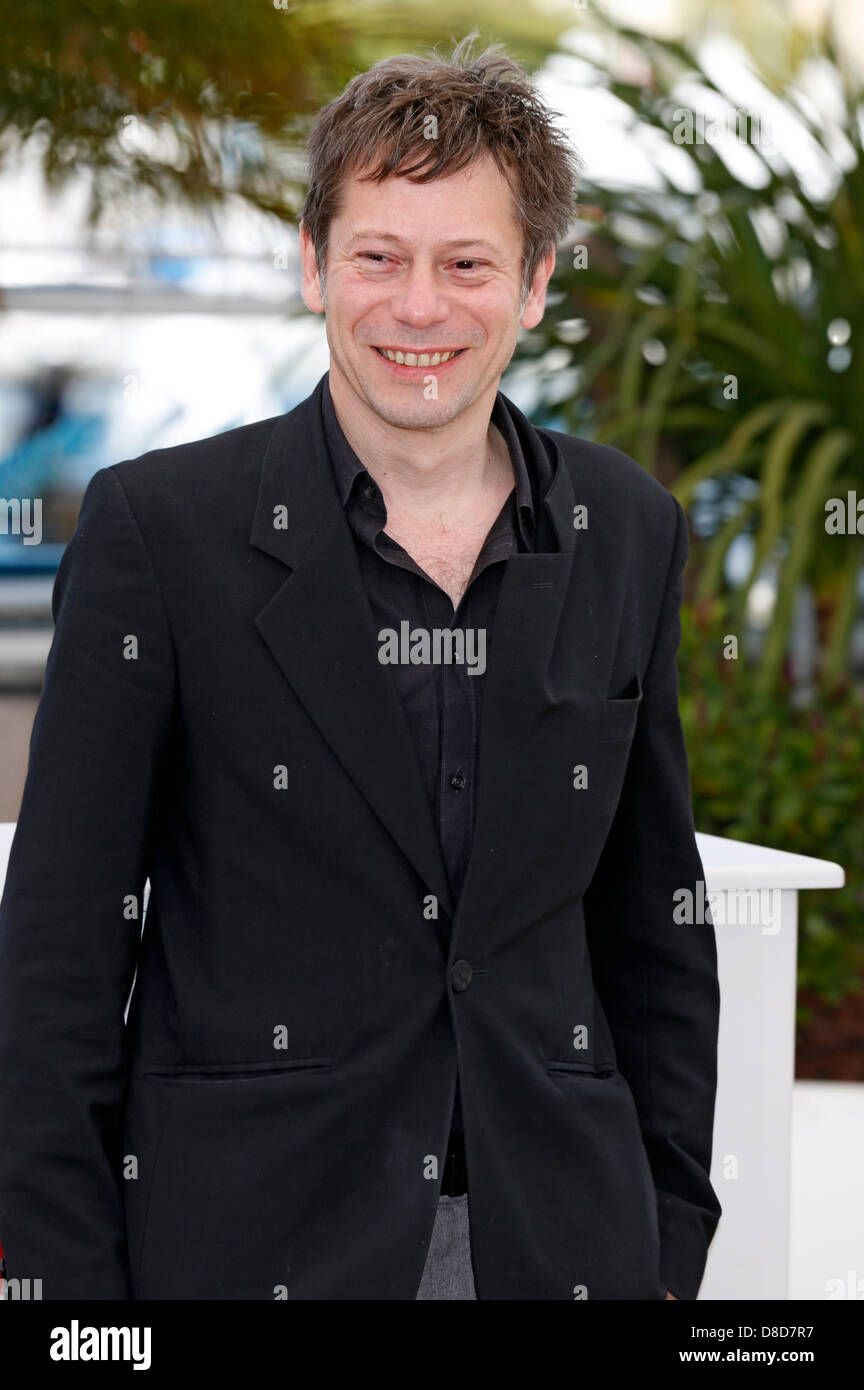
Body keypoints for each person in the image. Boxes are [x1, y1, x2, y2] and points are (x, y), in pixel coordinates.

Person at [0, 34, 721, 1301]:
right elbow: (58, 954)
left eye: (467, 264)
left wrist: (666, 1243)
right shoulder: (159, 532)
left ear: (538, 281)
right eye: (379, 257)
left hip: (556, 1241)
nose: (419, 307)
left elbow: (656, 928)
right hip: (245, 1241)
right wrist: (67, 1300)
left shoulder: (629, 528)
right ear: (314, 264)